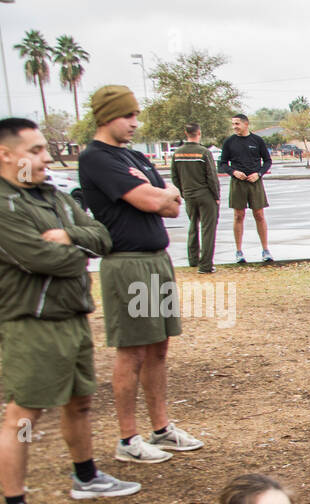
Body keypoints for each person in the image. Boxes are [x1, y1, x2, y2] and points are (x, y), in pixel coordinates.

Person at [0, 117, 139, 504]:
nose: (46, 157)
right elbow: (41, 260)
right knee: (23, 416)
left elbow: (101, 237)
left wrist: (66, 237)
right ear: (6, 155)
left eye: (44, 148)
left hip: (72, 317)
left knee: (80, 401)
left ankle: (86, 478)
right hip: (32, 324)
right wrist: (74, 249)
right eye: (35, 150)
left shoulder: (54, 196)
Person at [78, 85, 205, 464]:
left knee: (159, 347)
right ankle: (127, 439)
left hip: (157, 259)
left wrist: (162, 195)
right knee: (131, 351)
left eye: (136, 115)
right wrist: (159, 194)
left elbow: (172, 206)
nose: (136, 122)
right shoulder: (97, 158)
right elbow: (154, 199)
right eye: (127, 116)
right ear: (105, 116)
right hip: (127, 262)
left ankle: (162, 429)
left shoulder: (133, 156)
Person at [218, 113, 272, 263]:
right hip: (238, 183)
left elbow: (267, 161)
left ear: (246, 124)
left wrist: (259, 173)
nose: (234, 127)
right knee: (238, 216)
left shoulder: (257, 140)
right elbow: (222, 163)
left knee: (259, 215)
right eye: (233, 124)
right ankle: (239, 251)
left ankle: (265, 250)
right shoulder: (229, 142)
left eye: (237, 124)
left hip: (255, 182)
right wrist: (233, 172)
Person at [169, 122, 220, 274]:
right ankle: (205, 265)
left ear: (186, 133)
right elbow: (211, 176)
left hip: (189, 194)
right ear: (199, 133)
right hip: (205, 195)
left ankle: (193, 259)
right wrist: (216, 195)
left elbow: (174, 176)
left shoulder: (177, 153)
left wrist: (183, 192)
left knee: (193, 225)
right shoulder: (204, 152)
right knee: (208, 229)